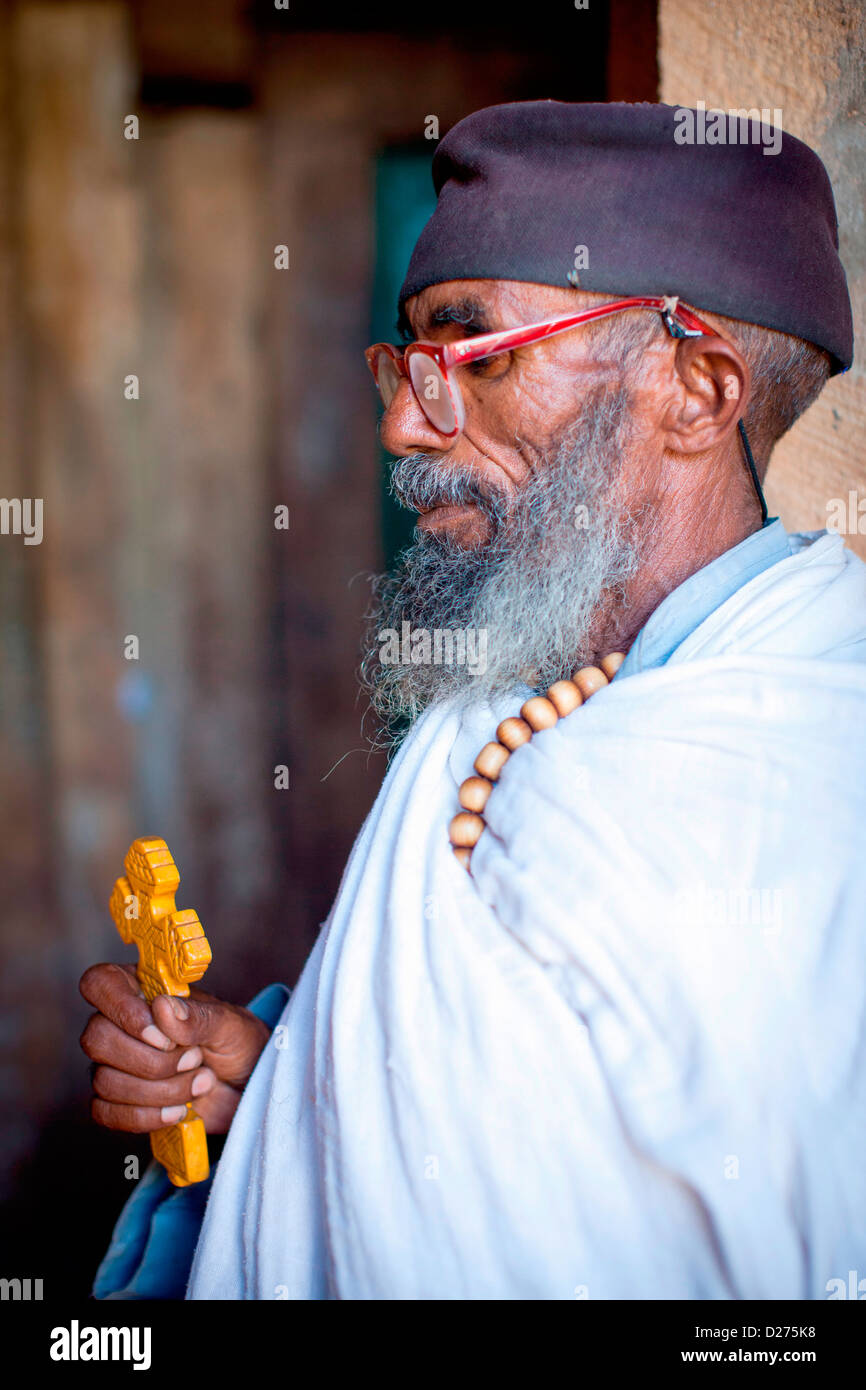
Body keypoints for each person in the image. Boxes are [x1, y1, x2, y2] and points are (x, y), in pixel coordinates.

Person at [81, 100, 866, 1300]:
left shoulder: (815, 746)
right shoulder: (502, 710)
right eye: (405, 362)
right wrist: (285, 1087)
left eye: (474, 355)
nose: (404, 424)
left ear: (699, 390)